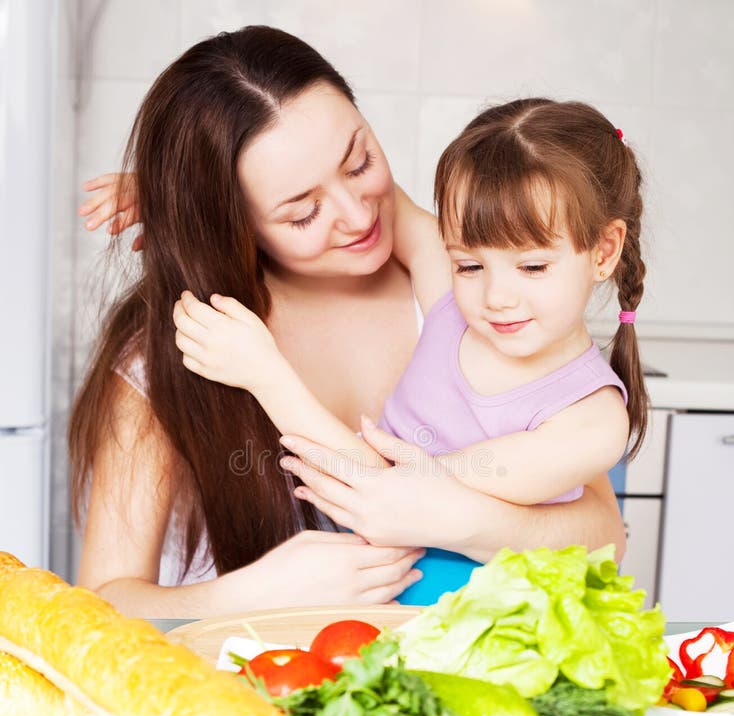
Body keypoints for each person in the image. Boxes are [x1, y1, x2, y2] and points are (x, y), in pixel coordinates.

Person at [73, 26, 625, 618]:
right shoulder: (195, 347)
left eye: (358, 161)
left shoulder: (474, 289)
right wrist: (251, 595)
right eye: (303, 211)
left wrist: (466, 519)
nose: (358, 215)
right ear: (236, 222)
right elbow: (101, 604)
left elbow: (603, 537)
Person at [171, 98, 642, 604]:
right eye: (469, 265)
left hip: (498, 637)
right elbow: (358, 196)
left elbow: (395, 492)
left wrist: (264, 374)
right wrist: (191, 190)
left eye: (531, 267)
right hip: (383, 617)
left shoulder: (593, 420)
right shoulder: (447, 292)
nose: (496, 297)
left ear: (605, 251)